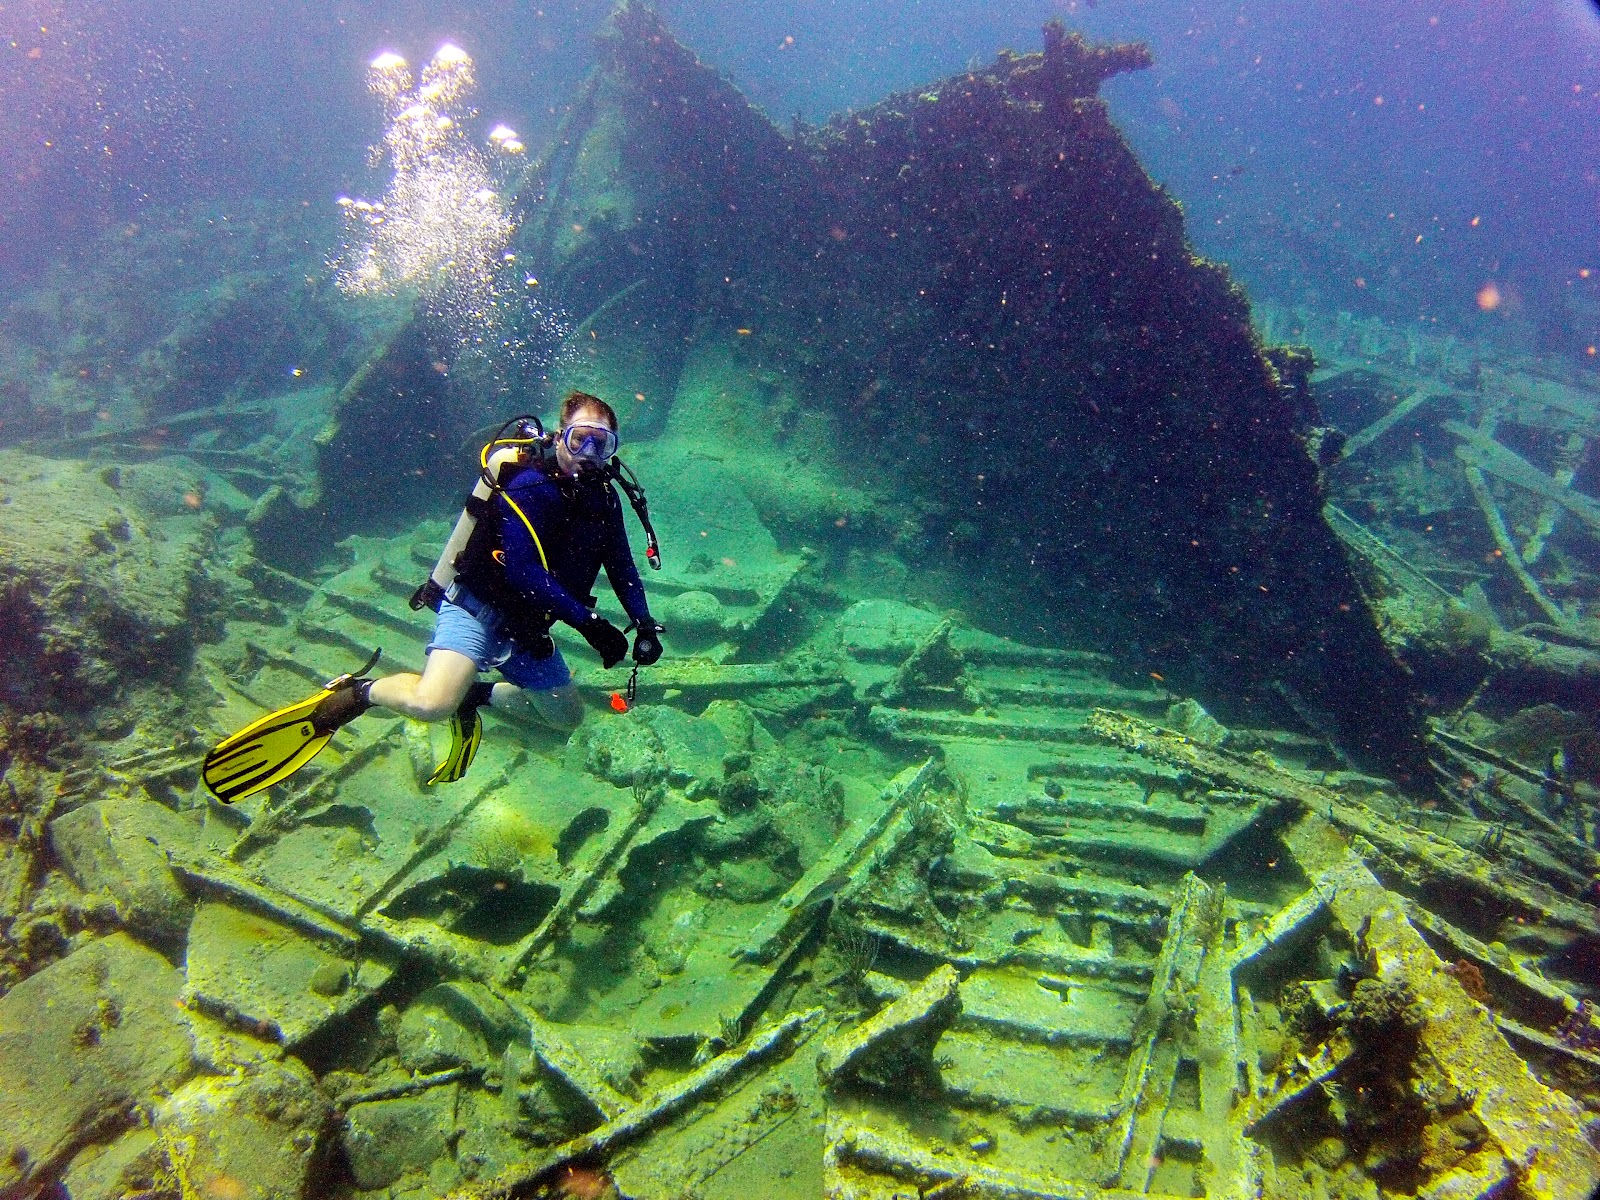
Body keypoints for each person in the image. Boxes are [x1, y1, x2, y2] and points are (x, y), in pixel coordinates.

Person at [203, 392, 663, 802]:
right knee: (430, 705)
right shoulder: (528, 485)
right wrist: (590, 623)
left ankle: (475, 695)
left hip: (526, 629)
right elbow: (523, 571)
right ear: (559, 437)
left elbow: (621, 564)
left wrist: (642, 622)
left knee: (565, 718)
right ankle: (360, 693)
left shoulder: (604, 499)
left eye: (601, 443)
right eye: (580, 438)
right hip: (476, 609)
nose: (588, 453)